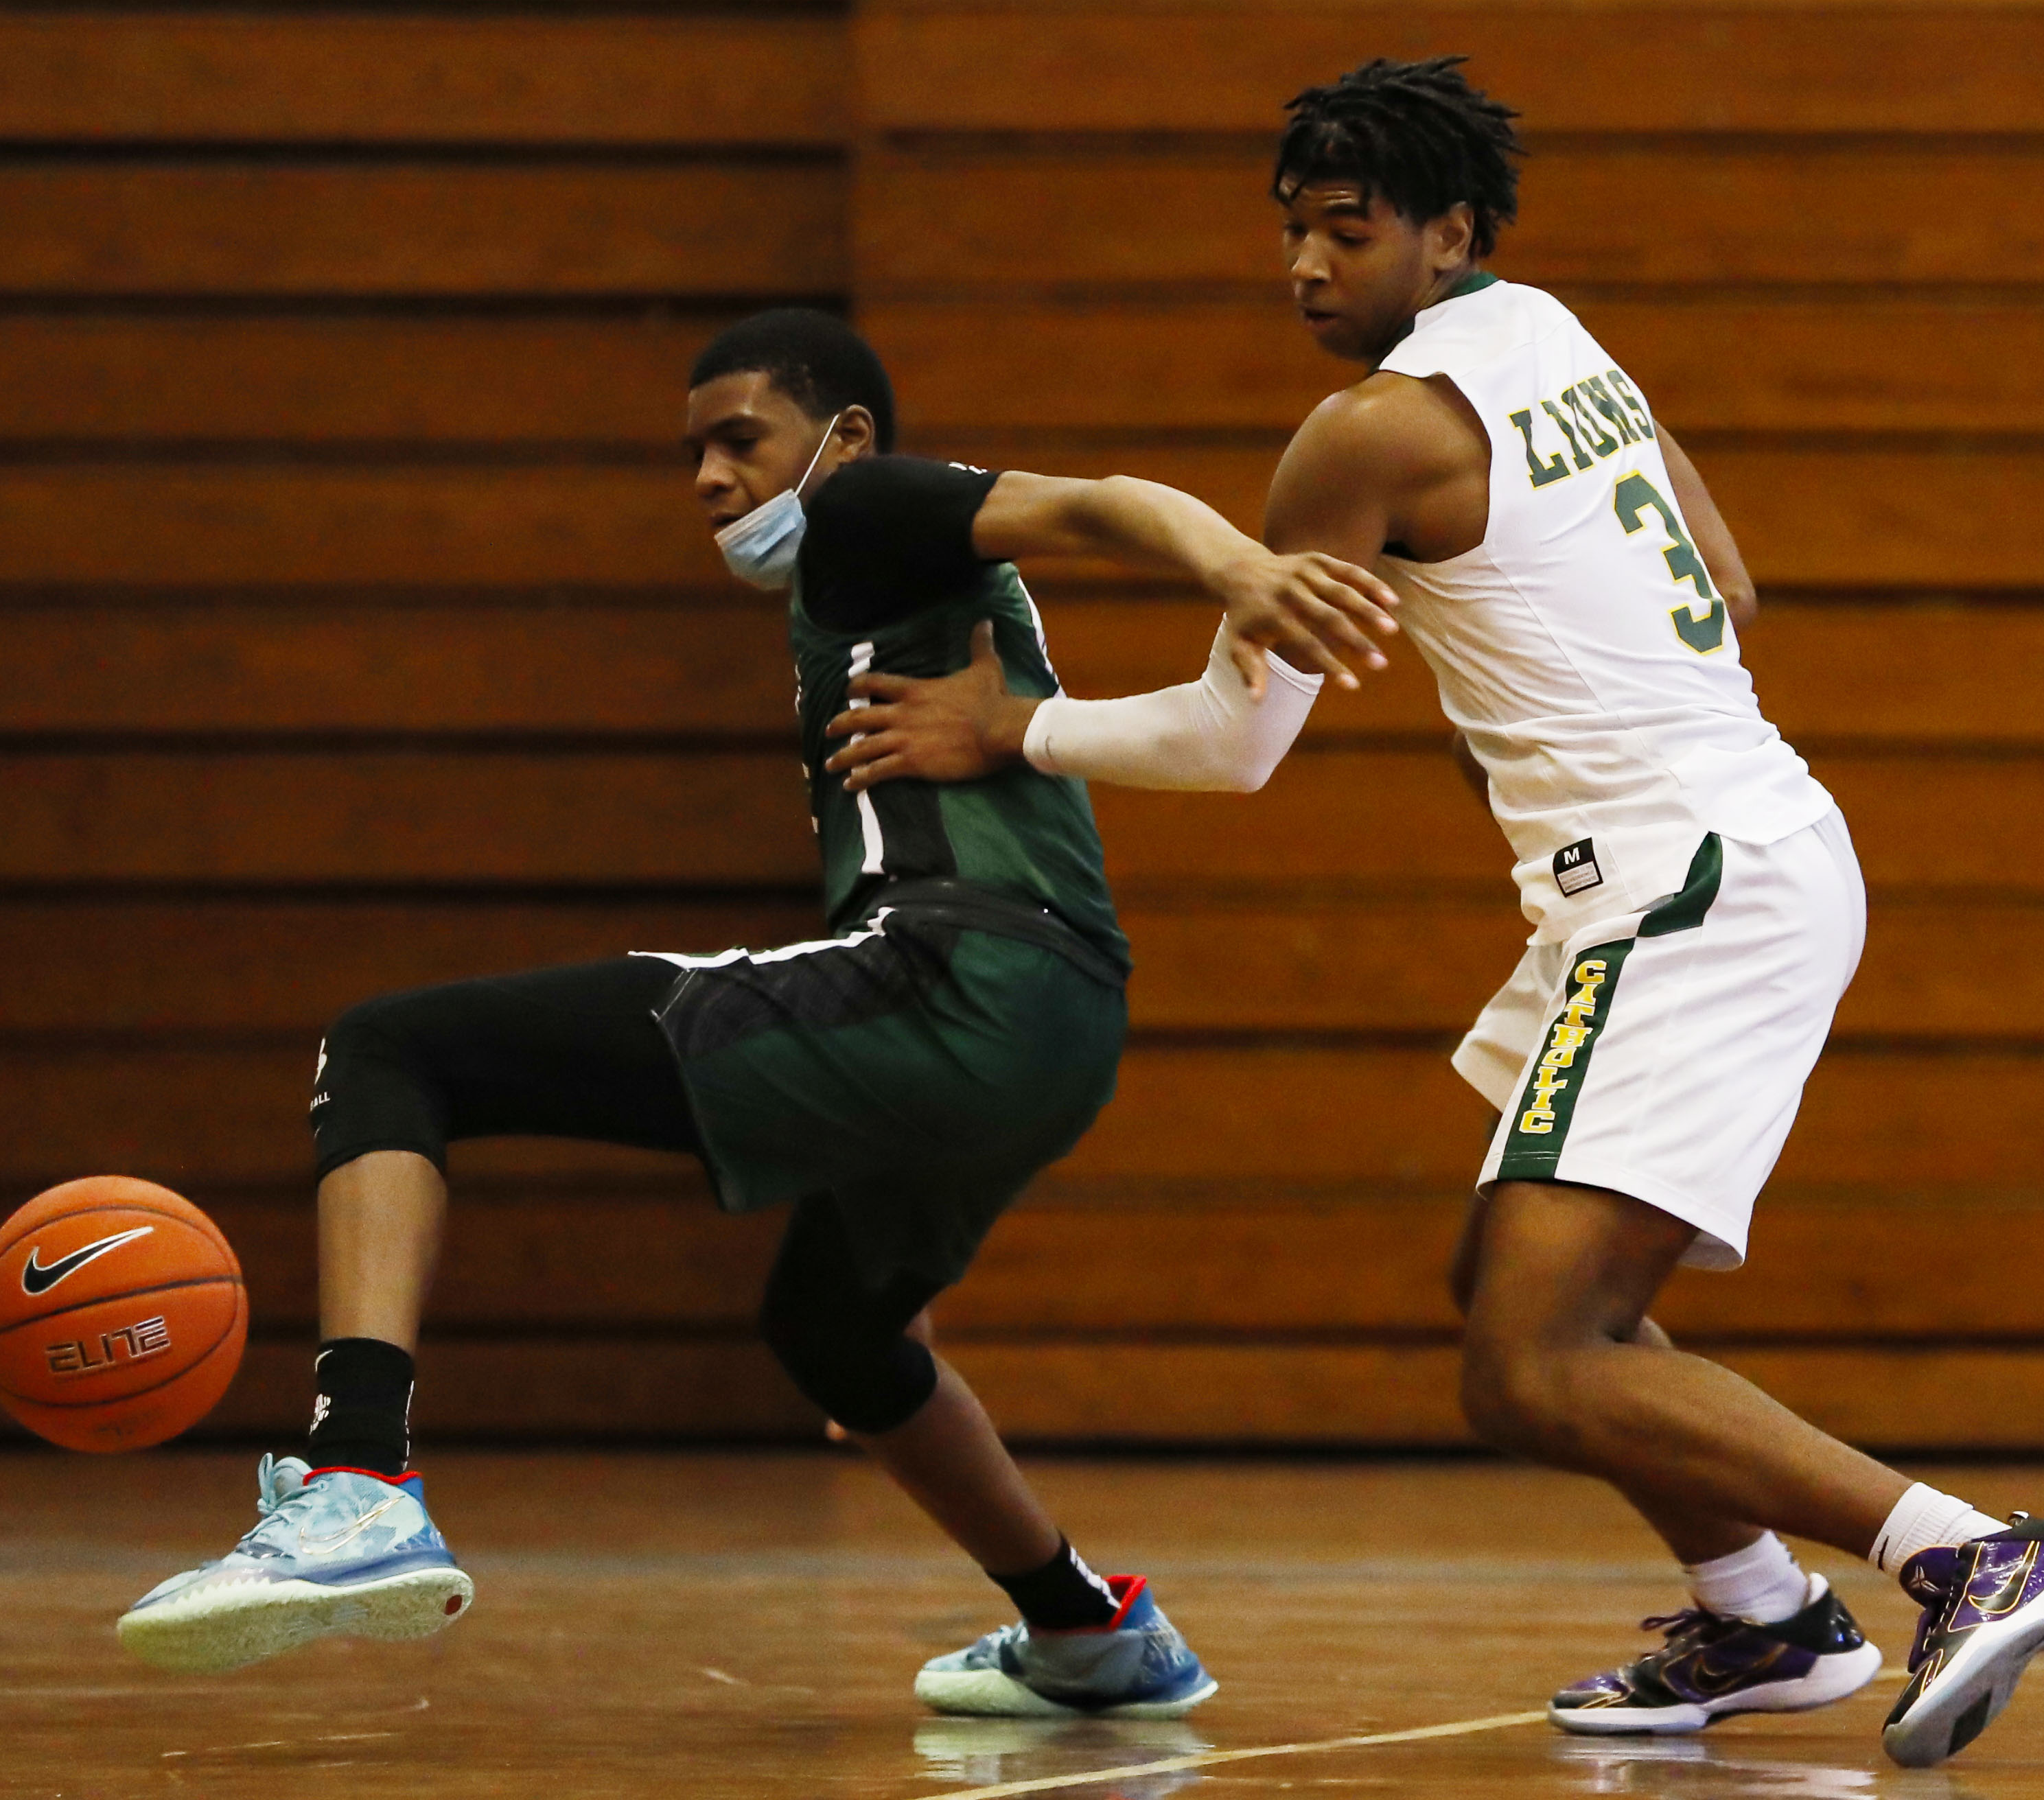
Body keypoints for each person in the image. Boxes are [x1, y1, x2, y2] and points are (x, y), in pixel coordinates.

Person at [816, 60, 2044, 1769]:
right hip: (1732, 843)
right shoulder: (1556, 336)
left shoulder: (1367, 435)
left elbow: (1233, 744)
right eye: (1291, 232)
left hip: (1682, 883)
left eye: (1345, 233)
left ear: (1450, 236)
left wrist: (1011, 730)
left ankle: (1962, 1548)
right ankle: (1762, 1615)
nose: (1305, 266)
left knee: (1528, 1360)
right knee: (1526, 1287)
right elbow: (1727, 575)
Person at [112, 307, 1397, 1718]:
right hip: (1060, 1023)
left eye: (741, 440)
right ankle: (1087, 1626)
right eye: (693, 454)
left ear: (840, 439)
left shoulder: (871, 511)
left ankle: (359, 1478)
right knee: (835, 1333)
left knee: (392, 1045)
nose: (711, 478)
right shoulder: (873, 589)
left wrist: (1241, 570)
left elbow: (1098, 500)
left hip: (954, 979)